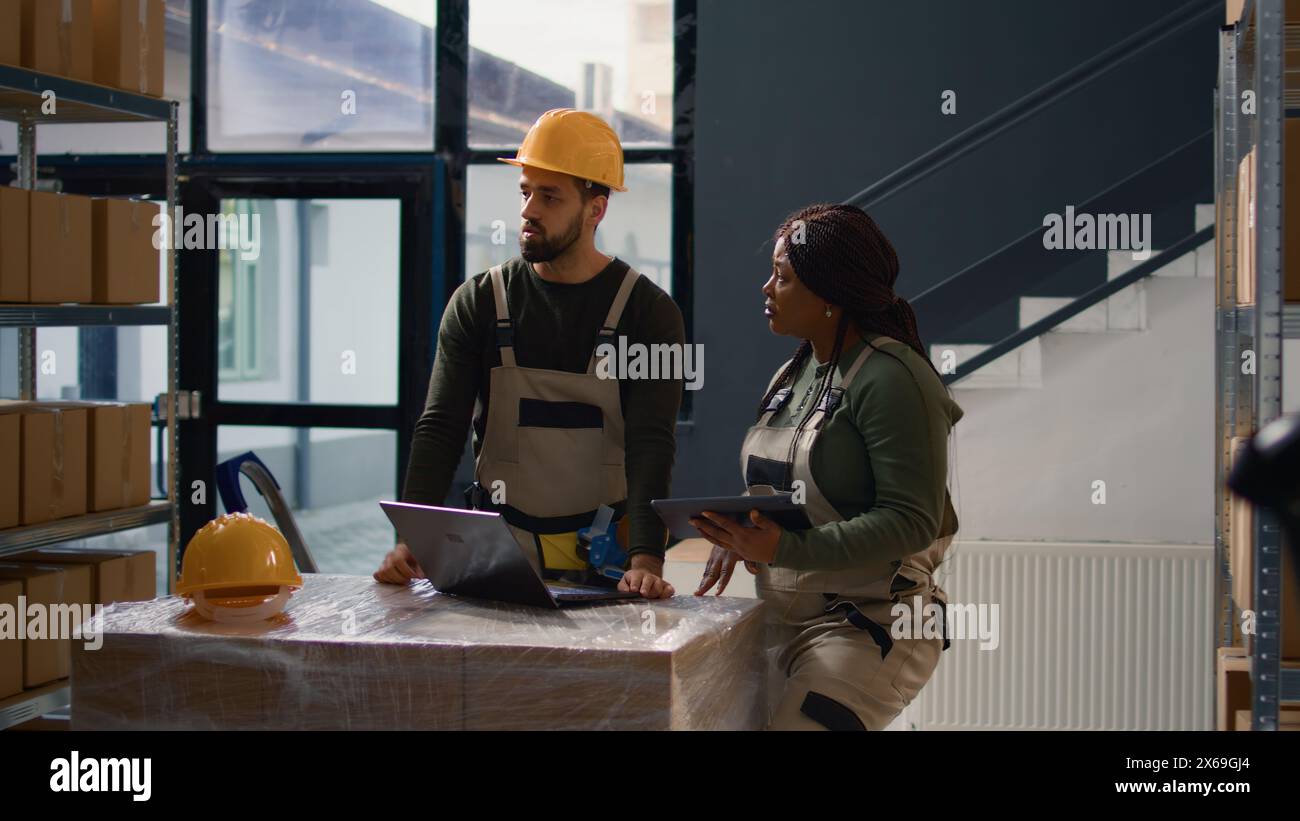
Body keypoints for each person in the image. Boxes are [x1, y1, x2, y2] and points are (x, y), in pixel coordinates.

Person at [374, 108, 682, 599]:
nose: (528, 210)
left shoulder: (649, 313)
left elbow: (651, 442)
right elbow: (440, 426)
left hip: (606, 562)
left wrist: (646, 558)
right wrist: (415, 538)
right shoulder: (478, 302)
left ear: (595, 210)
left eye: (550, 195)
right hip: (498, 556)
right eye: (526, 191)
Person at [690, 203, 962, 730]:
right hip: (783, 620)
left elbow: (911, 522)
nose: (766, 288)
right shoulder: (791, 376)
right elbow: (801, 495)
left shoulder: (893, 379)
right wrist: (739, 528)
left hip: (869, 626)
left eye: (783, 277)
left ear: (830, 293)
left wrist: (785, 548)